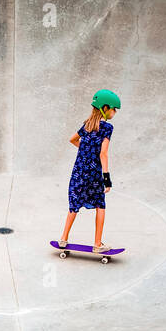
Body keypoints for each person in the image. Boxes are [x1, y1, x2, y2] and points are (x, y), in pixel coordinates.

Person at [60, 89, 120, 252]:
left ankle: (63, 239)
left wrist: (85, 150)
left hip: (79, 172)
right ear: (105, 108)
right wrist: (106, 178)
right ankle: (97, 244)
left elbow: (72, 139)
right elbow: (103, 153)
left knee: (74, 205)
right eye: (114, 109)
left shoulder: (87, 124)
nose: (115, 112)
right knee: (100, 205)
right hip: (94, 175)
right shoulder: (107, 128)